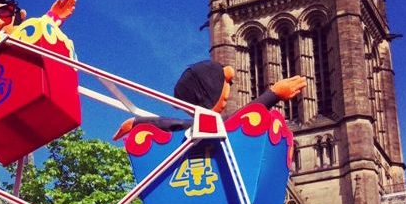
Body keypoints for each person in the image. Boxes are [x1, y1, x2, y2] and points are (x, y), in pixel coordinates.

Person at [112, 60, 306, 140]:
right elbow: (237, 122)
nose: (228, 93)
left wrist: (137, 122)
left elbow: (173, 124)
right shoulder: (206, 125)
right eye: (224, 85)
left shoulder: (203, 124)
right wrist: (272, 94)